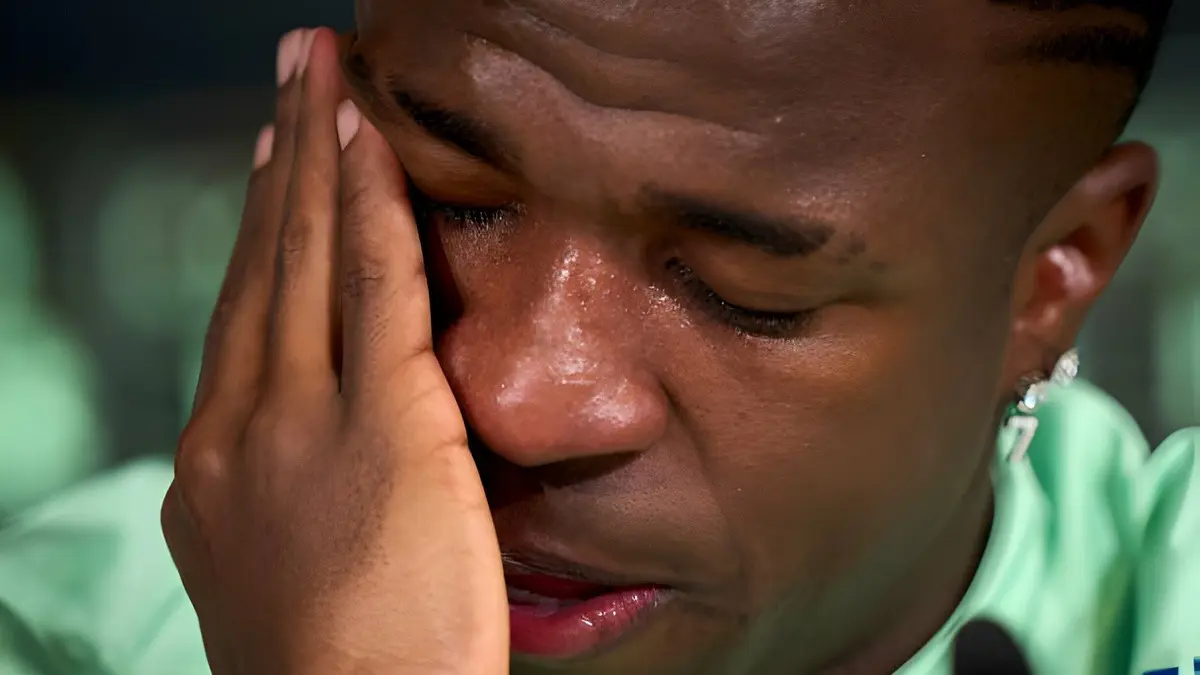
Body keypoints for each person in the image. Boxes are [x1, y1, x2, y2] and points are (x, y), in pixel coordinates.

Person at [0, 1, 1196, 674]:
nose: (517, 396)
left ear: (1054, 275)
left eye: (740, 287)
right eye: (451, 193)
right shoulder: (64, 633)